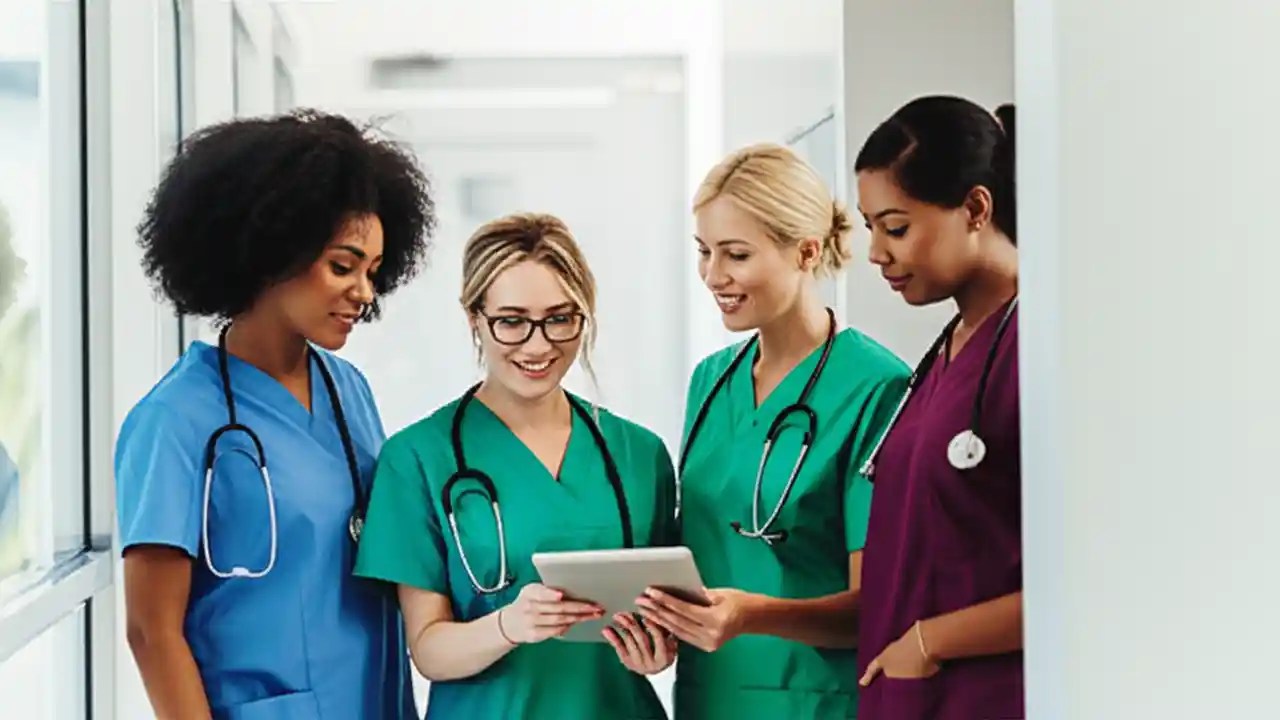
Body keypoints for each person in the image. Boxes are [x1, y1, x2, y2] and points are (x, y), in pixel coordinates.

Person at [114, 110, 434, 719]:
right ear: (270, 251)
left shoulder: (349, 392)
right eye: (343, 266)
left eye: (371, 272)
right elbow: (151, 632)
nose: (365, 293)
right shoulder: (174, 421)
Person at [354, 212, 679, 719]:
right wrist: (508, 625)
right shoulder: (418, 457)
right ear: (474, 320)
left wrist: (657, 653)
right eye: (511, 321)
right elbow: (428, 650)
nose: (538, 345)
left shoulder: (640, 454)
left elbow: (662, 615)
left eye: (560, 318)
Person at [634, 143, 910, 719]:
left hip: (816, 702)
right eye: (704, 252)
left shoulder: (876, 387)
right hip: (710, 699)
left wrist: (751, 617)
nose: (714, 275)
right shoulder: (711, 381)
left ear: (807, 251)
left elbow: (879, 605)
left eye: (736, 254)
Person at [852, 96, 1022, 719]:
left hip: (984, 699)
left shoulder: (1039, 351)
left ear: (976, 208)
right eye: (870, 227)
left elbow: (1087, 577)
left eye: (896, 227)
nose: (876, 253)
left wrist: (929, 642)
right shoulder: (944, 352)